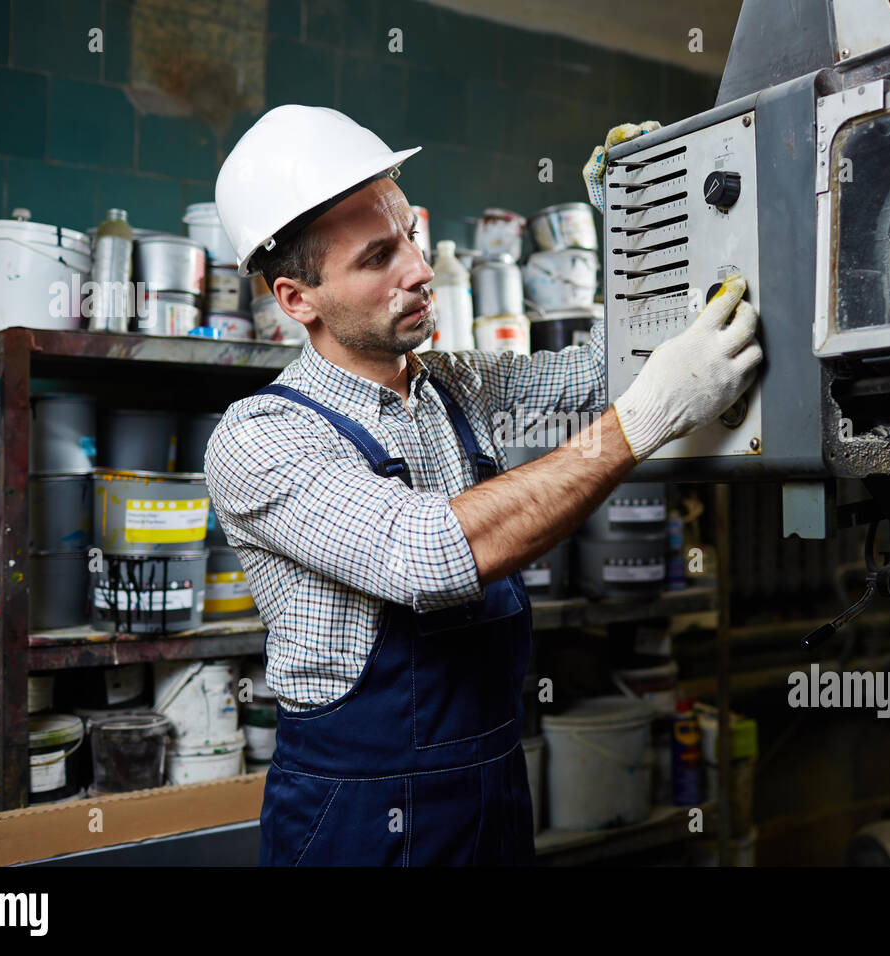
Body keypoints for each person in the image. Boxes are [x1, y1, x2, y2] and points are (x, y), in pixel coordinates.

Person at [204, 105, 762, 865]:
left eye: (410, 235)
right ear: (297, 298)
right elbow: (426, 554)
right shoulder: (261, 437)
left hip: (494, 788)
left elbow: (612, 366)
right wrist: (642, 420)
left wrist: (637, 222)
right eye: (377, 258)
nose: (420, 269)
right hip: (359, 817)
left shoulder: (458, 384)